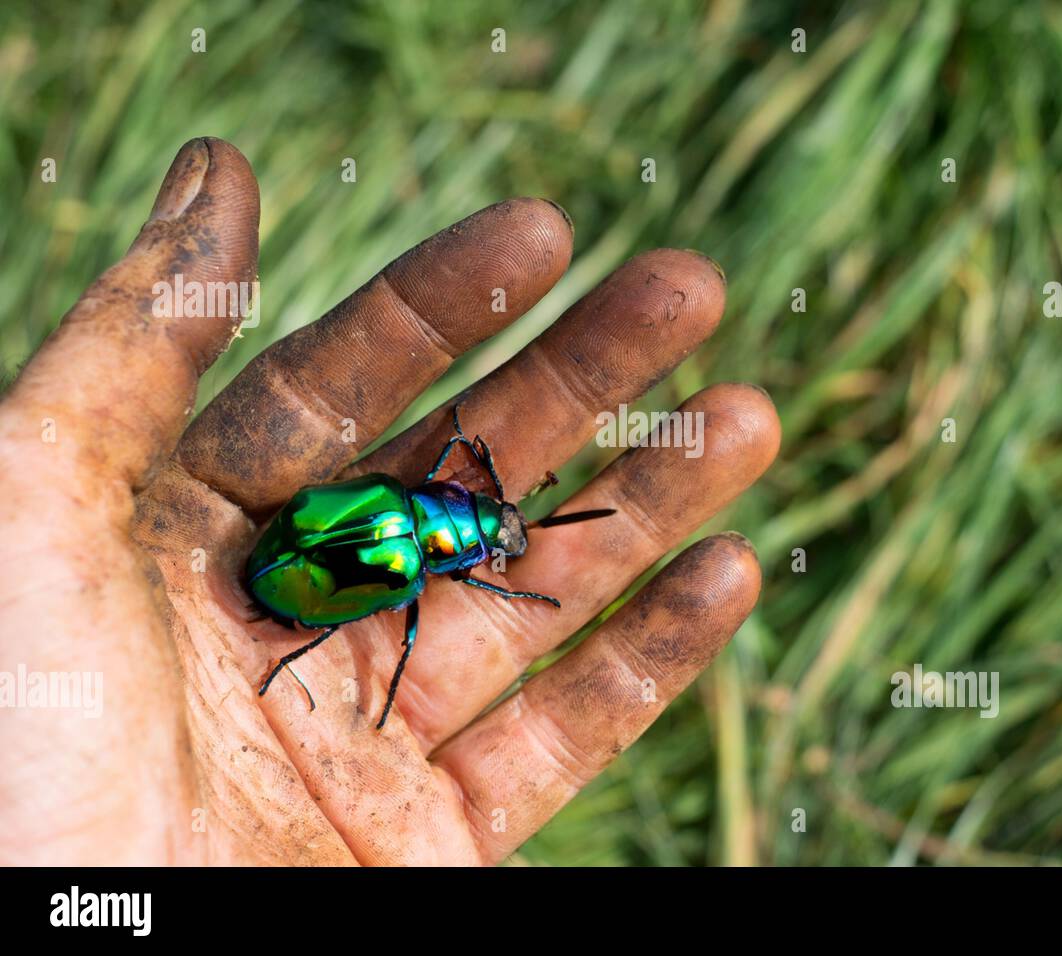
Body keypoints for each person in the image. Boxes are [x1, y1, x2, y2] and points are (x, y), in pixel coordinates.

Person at [0, 138, 779, 865]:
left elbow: (445, 468)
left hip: (285, 561)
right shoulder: (414, 571)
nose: (495, 535)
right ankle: (297, 654)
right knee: (395, 640)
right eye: (491, 531)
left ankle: (296, 650)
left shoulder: (394, 499)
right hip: (278, 579)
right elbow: (410, 621)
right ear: (466, 550)